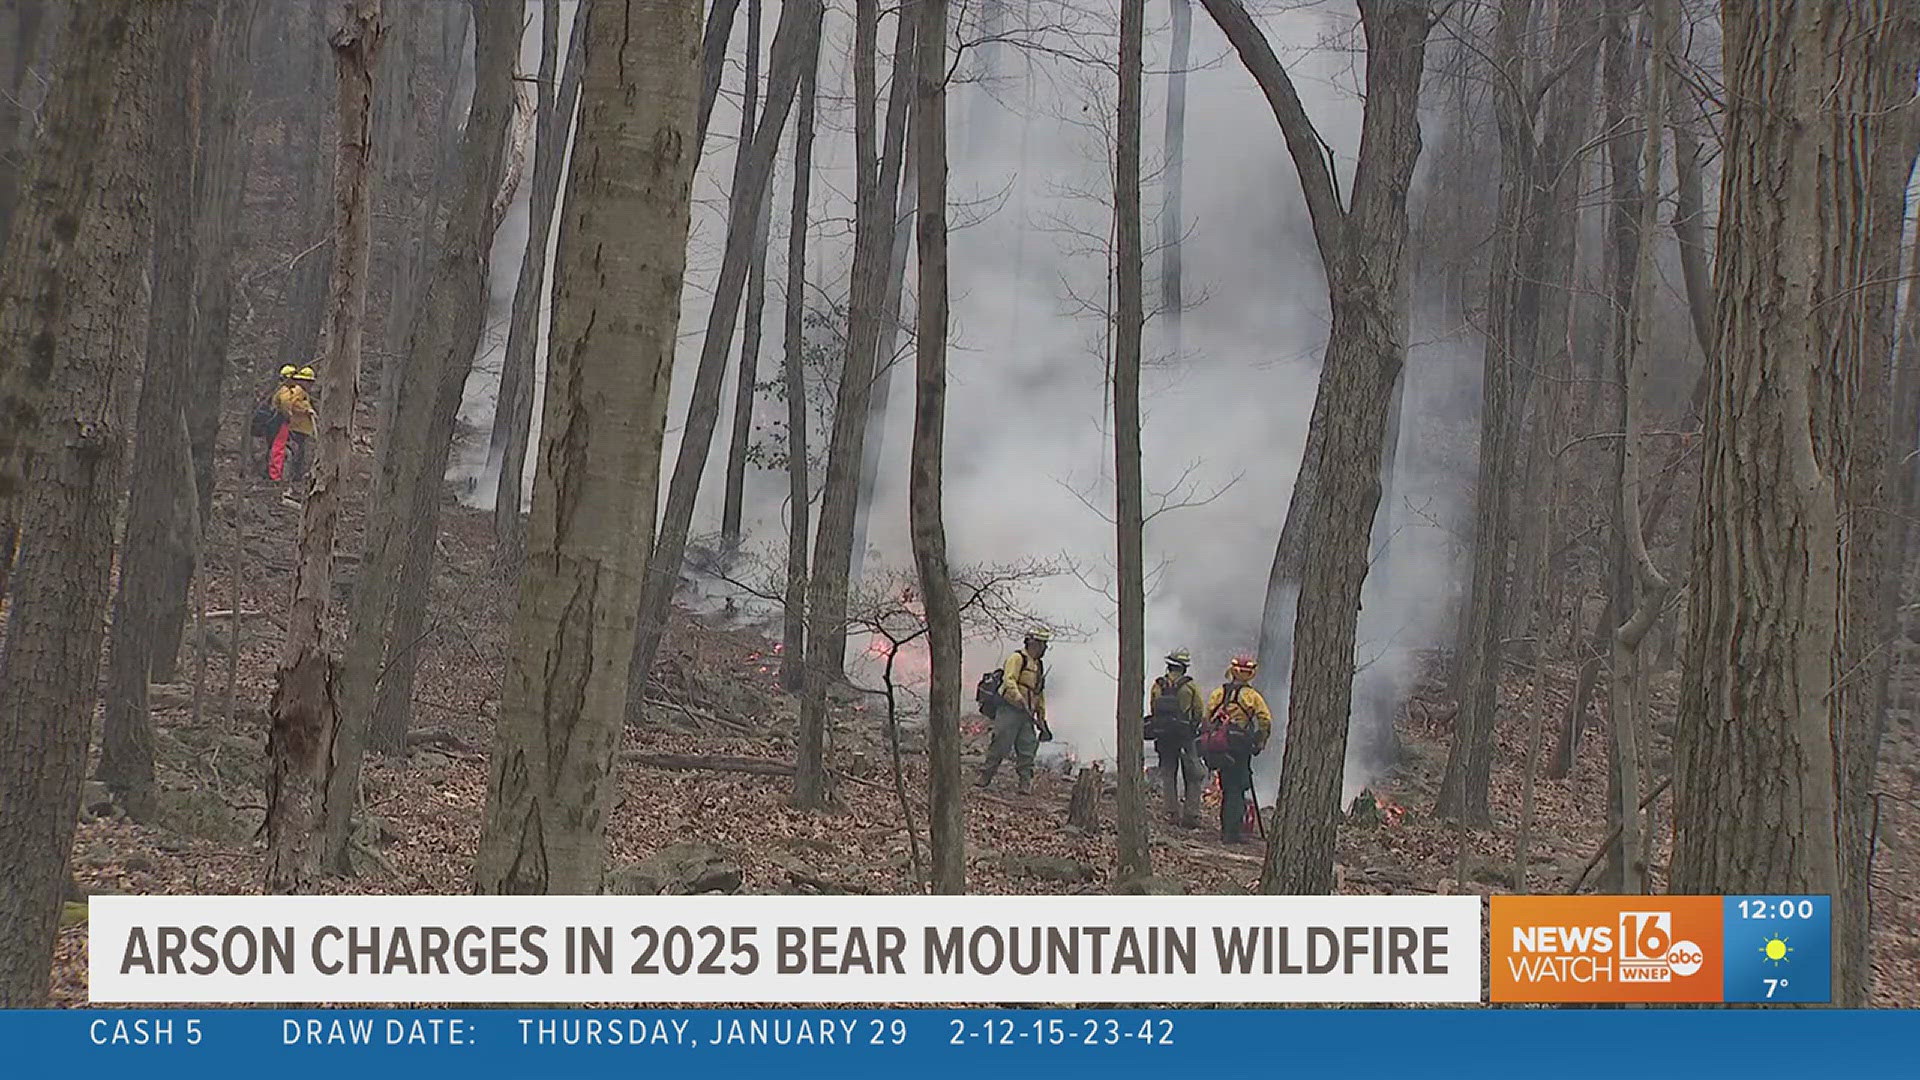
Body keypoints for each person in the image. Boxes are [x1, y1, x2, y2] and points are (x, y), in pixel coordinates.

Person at [1201, 655, 1273, 844]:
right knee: (1237, 788)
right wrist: (1260, 740)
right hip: (1241, 748)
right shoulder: (1252, 697)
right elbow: (1265, 720)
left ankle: (1226, 829)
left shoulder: (1219, 693)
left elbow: (1207, 716)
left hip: (1220, 746)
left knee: (1226, 787)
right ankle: (1233, 833)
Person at [979, 628, 1052, 794]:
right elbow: (1009, 680)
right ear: (1033, 643)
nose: (1044, 648)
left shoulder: (1038, 666)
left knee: (1028, 748)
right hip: (1010, 709)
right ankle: (985, 777)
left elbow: (1039, 693)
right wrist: (1018, 699)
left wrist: (1041, 716)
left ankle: (1025, 784)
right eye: (1042, 644)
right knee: (1000, 743)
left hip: (1027, 715)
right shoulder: (1017, 658)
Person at [1147, 648, 1207, 827]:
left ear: (1169, 665)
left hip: (1164, 736)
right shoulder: (1190, 686)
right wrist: (1193, 726)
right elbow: (1199, 711)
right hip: (1185, 736)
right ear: (1184, 668)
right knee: (1194, 775)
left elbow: (1153, 709)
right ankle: (1191, 815)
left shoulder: (1158, 685)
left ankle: (1170, 814)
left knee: (1168, 773)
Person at [268, 365, 317, 491]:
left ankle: (284, 475)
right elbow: (288, 404)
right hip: (287, 425)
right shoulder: (287, 391)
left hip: (293, 426)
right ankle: (277, 476)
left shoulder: (289, 391)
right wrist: (301, 411)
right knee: (281, 450)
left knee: (291, 451)